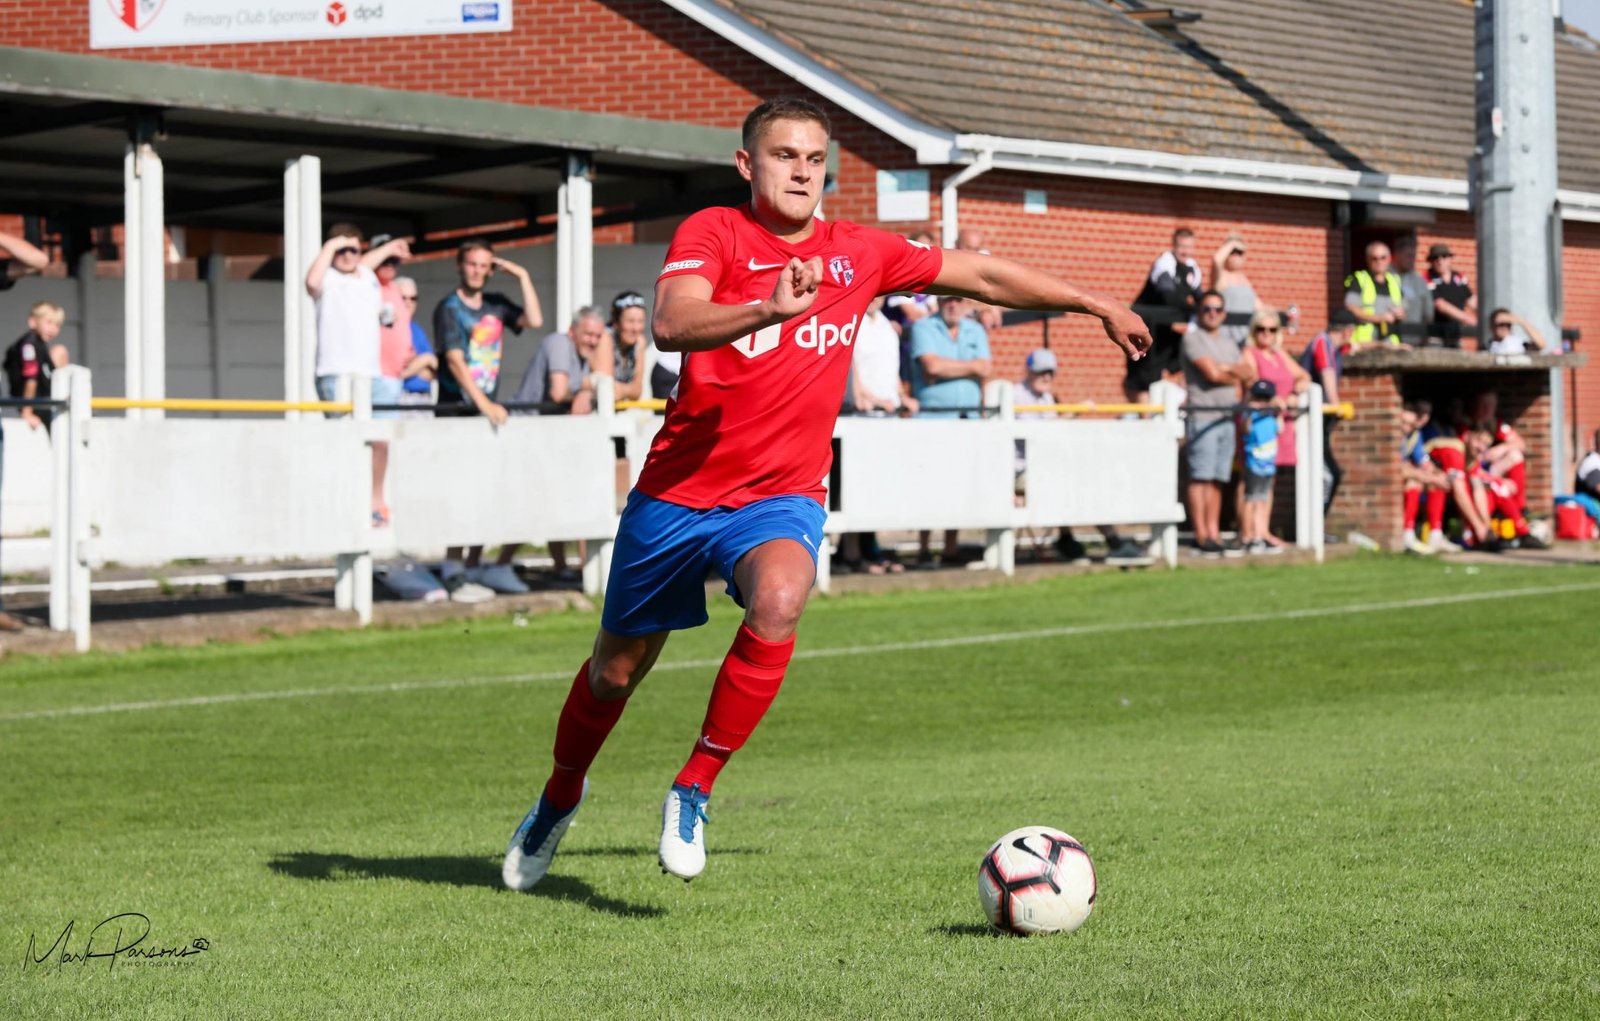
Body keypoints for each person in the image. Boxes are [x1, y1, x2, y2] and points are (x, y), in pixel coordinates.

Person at [499, 97, 1151, 892]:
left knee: (779, 599)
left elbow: (978, 272)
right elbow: (671, 323)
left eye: (814, 159)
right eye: (784, 156)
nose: (802, 171)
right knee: (613, 674)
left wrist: (1095, 302)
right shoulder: (714, 232)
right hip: (676, 493)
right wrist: (765, 308)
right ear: (749, 165)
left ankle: (694, 786)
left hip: (780, 494)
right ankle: (560, 795)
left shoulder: (859, 252)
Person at [432, 238, 543, 601]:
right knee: (458, 491)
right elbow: (454, 360)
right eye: (472, 264)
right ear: (460, 266)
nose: (477, 271)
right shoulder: (449, 308)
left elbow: (534, 319)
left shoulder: (495, 304)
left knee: (481, 492)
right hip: (457, 411)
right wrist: (482, 403)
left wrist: (522, 274)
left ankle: (472, 567)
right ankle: (452, 568)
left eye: (484, 265)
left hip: (486, 412)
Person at [305, 225, 411, 527]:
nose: (347, 255)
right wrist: (333, 245)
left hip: (370, 374)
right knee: (345, 442)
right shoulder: (327, 277)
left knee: (380, 440)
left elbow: (368, 259)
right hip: (335, 372)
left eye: (353, 249)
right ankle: (342, 499)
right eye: (340, 250)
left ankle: (375, 500)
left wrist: (392, 248)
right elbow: (311, 281)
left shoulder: (366, 277)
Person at [910, 292, 990, 566]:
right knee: (927, 485)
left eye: (958, 299)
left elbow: (985, 368)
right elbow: (930, 366)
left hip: (966, 420)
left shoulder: (975, 330)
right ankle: (923, 548)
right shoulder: (923, 326)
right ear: (939, 303)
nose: (953, 305)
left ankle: (951, 549)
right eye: (946, 300)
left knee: (958, 486)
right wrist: (970, 367)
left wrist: (948, 367)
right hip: (931, 420)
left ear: (966, 304)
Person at [1182, 289, 1255, 557]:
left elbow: (1249, 372)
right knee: (1200, 477)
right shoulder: (1192, 339)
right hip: (1202, 417)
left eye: (1217, 309)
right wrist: (1228, 371)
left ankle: (1213, 531)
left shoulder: (1228, 343)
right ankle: (1200, 534)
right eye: (1207, 309)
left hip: (1227, 417)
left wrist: (1226, 370)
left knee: (1217, 479)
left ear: (1223, 314)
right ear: (1199, 312)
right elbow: (1211, 373)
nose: (1212, 314)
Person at [1240, 309, 1307, 549]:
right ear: (1253, 331)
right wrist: (1276, 399)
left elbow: (1303, 376)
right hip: (1259, 426)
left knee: (1269, 479)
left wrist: (1294, 393)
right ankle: (1248, 534)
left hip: (1279, 427)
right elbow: (1255, 386)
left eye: (1272, 329)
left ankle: (1263, 531)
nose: (1266, 334)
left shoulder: (1279, 354)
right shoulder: (1249, 353)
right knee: (1251, 481)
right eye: (1261, 329)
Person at [1126, 227, 1203, 403]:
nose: (1185, 251)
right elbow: (1168, 293)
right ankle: (1145, 422)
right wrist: (1193, 310)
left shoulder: (1193, 268)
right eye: (1182, 246)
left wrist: (1209, 308)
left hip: (1165, 329)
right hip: (1145, 327)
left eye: (1189, 247)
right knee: (1143, 376)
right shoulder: (1164, 263)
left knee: (1176, 369)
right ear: (1174, 246)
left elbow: (1200, 297)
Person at [1299, 308, 1357, 519]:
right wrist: (1336, 404)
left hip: (1322, 419)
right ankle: (1313, 524)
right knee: (1326, 473)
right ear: (1347, 331)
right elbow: (1327, 374)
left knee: (1328, 472)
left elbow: (1359, 347)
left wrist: (1383, 345)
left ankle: (1317, 525)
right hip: (1313, 418)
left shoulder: (1336, 347)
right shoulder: (1323, 343)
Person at [5, 301, 64, 433]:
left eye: (57, 325)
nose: (53, 329)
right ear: (33, 321)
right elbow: (31, 378)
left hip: (41, 402)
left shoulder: (40, 344)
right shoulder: (29, 346)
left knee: (60, 351)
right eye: (49, 322)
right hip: (36, 405)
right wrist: (27, 412)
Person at [1399, 400, 1448, 554]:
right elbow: (1397, 468)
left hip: (1409, 476)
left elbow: (1422, 461)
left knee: (1437, 481)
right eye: (1403, 423)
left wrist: (1437, 475)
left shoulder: (1413, 435)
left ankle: (1435, 534)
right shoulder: (1393, 436)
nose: (1406, 428)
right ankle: (1407, 534)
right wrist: (1424, 475)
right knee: (1415, 482)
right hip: (1391, 485)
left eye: (1410, 424)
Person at [1239, 379, 1280, 554]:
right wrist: (1251, 410)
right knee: (1251, 500)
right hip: (1254, 466)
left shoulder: (1271, 415)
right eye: (1258, 398)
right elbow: (1245, 428)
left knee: (1262, 501)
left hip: (1268, 466)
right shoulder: (1250, 416)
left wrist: (1275, 408)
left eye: (1265, 399)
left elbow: (1281, 428)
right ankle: (1247, 536)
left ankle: (1260, 534)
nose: (1261, 402)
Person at [393, 276, 439, 414]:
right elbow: (395, 373)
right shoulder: (386, 329)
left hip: (424, 400)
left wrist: (420, 362)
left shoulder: (416, 329)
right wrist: (425, 360)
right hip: (399, 399)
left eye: (413, 298)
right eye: (403, 298)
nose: (408, 303)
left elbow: (433, 371)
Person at [1344, 242, 1404, 347]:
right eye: (1374, 258)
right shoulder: (1360, 279)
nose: (1379, 262)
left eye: (1383, 258)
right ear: (1368, 259)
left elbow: (1404, 307)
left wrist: (1401, 313)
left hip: (1390, 342)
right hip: (1366, 344)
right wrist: (1378, 318)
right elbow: (1350, 307)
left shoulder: (1395, 281)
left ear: (1389, 259)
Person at [1209, 232, 1262, 348]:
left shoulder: (1244, 279)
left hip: (1245, 340)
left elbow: (1259, 307)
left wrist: (1284, 314)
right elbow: (1217, 260)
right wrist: (1233, 243)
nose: (1235, 256)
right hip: (1225, 340)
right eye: (1232, 252)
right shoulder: (1221, 276)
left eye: (1239, 253)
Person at [1424, 243, 1475, 348]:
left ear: (1450, 259)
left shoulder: (1459, 277)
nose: (1440, 260)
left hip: (1456, 334)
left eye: (1444, 256)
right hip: (1436, 337)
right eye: (1435, 258)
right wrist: (1467, 318)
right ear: (1431, 261)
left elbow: (1471, 300)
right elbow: (1440, 305)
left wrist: (1487, 314)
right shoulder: (1427, 277)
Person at [607, 291, 650, 403]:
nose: (636, 328)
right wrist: (628, 390)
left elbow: (637, 391)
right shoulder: (605, 338)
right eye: (630, 321)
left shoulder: (640, 342)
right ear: (616, 321)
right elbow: (607, 388)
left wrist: (623, 390)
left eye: (640, 321)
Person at [1391, 235, 1433, 346]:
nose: (1412, 260)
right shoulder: (1385, 276)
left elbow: (1428, 313)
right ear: (1398, 254)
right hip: (1389, 342)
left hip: (1414, 341)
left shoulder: (1419, 281)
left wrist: (1425, 336)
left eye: (1413, 256)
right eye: (1408, 255)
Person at [1485, 308, 1549, 355]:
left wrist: (1521, 321)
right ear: (1491, 326)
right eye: (1501, 325)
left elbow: (1541, 344)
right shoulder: (1486, 347)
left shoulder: (1518, 344)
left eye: (1508, 324)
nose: (1504, 327)